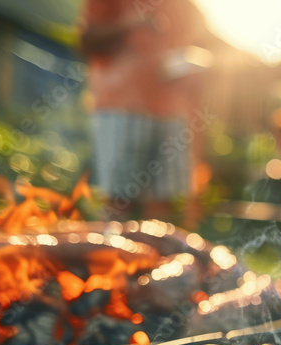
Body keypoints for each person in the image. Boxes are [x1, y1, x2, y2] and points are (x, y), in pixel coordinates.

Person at [79, 0, 224, 222]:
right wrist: (133, 23)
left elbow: (199, 44)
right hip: (122, 105)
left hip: (172, 110)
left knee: (161, 204)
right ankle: (106, 253)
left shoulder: (186, 6)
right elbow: (86, 41)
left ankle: (152, 254)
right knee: (119, 201)